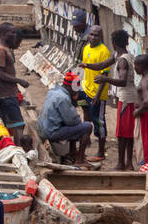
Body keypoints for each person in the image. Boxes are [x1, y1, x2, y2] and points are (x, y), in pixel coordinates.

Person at [0, 24, 31, 148]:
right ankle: (17, 150)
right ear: (3, 34)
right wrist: (19, 80)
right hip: (5, 94)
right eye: (11, 33)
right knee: (18, 124)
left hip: (6, 92)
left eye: (14, 33)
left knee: (8, 124)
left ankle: (9, 148)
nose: (14, 35)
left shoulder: (4, 49)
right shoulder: (1, 50)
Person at [100, 30, 137, 170]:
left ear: (114, 43)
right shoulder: (119, 56)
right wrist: (87, 66)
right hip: (128, 98)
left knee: (122, 133)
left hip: (126, 98)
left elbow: (122, 81)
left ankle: (122, 164)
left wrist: (105, 79)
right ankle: (128, 163)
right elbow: (102, 65)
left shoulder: (122, 60)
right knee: (127, 132)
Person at [77, 24, 113, 164]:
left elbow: (104, 75)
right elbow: (86, 69)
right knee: (85, 114)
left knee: (99, 122)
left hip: (98, 94)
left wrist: (97, 96)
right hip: (85, 89)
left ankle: (101, 151)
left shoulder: (104, 52)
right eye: (91, 34)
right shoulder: (86, 48)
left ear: (101, 36)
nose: (92, 37)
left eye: (96, 35)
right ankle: (86, 140)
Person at [38, 72, 92, 163]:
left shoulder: (53, 91)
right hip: (51, 132)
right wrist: (74, 102)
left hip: (43, 129)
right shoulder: (63, 98)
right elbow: (73, 121)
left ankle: (72, 152)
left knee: (70, 123)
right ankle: (80, 159)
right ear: (71, 88)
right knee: (87, 126)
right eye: (76, 91)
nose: (76, 93)